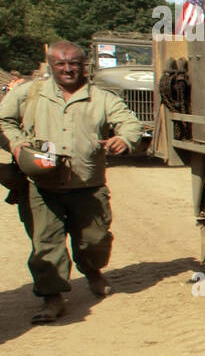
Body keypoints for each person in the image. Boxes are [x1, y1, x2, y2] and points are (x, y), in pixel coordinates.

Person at [0, 41, 143, 324]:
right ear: (50, 65)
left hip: (88, 185)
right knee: (46, 244)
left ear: (84, 64)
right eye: (61, 64)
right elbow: (3, 121)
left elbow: (130, 122)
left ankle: (93, 272)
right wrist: (17, 145)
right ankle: (52, 298)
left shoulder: (101, 98)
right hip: (41, 186)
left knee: (95, 241)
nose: (68, 70)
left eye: (74, 64)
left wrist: (124, 139)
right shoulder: (28, 93)